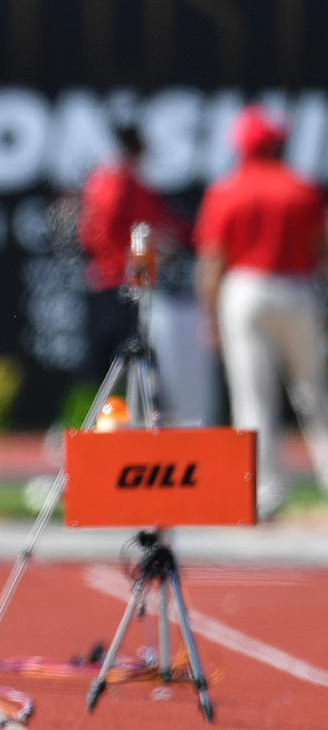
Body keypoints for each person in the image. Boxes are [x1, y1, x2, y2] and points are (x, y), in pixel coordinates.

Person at [194, 106, 328, 521]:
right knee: (316, 395)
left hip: (246, 290)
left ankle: (265, 497)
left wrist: (209, 315)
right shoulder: (302, 188)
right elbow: (322, 251)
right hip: (297, 289)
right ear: (279, 143)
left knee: (254, 399)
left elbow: (213, 259)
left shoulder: (226, 190)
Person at [77, 122, 189, 379]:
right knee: (102, 358)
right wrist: (123, 263)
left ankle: (132, 414)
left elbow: (165, 225)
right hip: (113, 282)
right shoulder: (113, 183)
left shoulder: (136, 185)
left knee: (137, 355)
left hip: (138, 282)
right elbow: (96, 234)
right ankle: (88, 416)